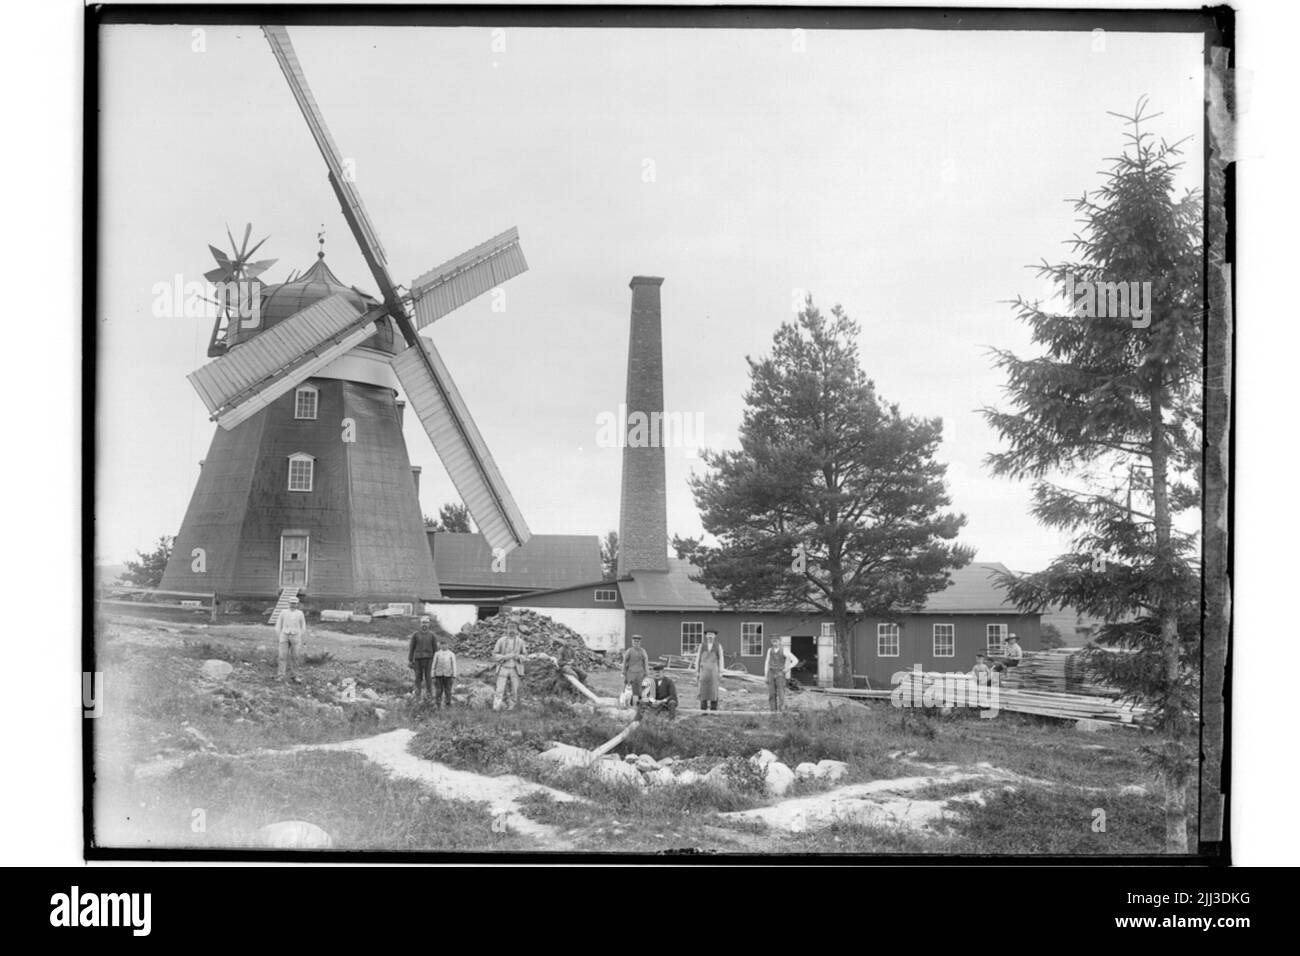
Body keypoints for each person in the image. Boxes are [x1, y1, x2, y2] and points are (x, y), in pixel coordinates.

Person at [492, 620, 527, 710]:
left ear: (517, 630)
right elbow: (494, 655)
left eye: (513, 628)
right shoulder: (501, 641)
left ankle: (511, 707)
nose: (512, 630)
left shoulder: (520, 642)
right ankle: (496, 707)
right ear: (506, 629)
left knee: (514, 689)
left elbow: (525, 656)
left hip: (515, 669)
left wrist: (518, 657)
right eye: (510, 628)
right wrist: (505, 657)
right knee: (500, 689)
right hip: (503, 667)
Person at [763, 635, 799, 713]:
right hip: (771, 673)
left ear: (780, 641)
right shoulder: (770, 650)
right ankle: (773, 712)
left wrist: (788, 668)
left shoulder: (784, 650)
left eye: (776, 641)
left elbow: (795, 660)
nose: (775, 643)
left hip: (780, 673)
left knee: (781, 693)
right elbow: (767, 662)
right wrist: (766, 676)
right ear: (771, 642)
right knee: (771, 694)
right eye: (773, 641)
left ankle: (782, 712)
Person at [276, 594, 307, 682]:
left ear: (297, 604)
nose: (293, 605)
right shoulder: (283, 612)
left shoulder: (300, 613)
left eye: (295, 603)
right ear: (288, 603)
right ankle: (281, 675)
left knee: (295, 656)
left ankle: (295, 676)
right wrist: (279, 636)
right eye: (291, 603)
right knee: (282, 656)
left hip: (295, 636)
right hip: (284, 635)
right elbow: (278, 624)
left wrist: (299, 635)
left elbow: (303, 626)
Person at [408, 619, 437, 701]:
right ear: (420, 624)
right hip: (418, 659)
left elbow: (435, 649)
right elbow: (412, 648)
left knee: (428, 678)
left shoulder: (432, 635)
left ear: (429, 624)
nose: (425, 624)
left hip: (429, 659)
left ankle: (429, 696)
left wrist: (436, 661)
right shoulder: (415, 635)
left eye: (426, 623)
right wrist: (410, 660)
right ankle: (418, 696)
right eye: (423, 623)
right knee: (418, 677)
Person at [695, 630, 724, 711]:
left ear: (714, 636)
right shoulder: (702, 646)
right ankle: (703, 710)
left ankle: (713, 710)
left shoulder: (718, 646)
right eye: (708, 635)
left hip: (714, 672)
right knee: (703, 690)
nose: (710, 636)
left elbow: (721, 659)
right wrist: (697, 671)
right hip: (703, 671)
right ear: (706, 636)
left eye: (712, 635)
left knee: (714, 691)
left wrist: (721, 671)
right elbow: (698, 658)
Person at [622, 635, 651, 703]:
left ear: (640, 642)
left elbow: (646, 661)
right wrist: (623, 671)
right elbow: (625, 661)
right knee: (629, 688)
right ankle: (629, 702)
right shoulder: (629, 651)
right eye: (635, 641)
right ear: (632, 642)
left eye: (638, 642)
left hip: (640, 673)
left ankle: (640, 703)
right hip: (631, 673)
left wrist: (647, 671)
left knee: (641, 688)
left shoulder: (643, 651)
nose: (636, 643)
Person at [431, 640, 458, 709]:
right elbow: (433, 665)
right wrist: (433, 676)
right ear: (440, 645)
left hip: (448, 675)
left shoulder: (451, 654)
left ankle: (448, 704)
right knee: (438, 690)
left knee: (448, 690)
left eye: (445, 644)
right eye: (442, 644)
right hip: (438, 675)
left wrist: (454, 676)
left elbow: (454, 665)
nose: (443, 646)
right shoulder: (437, 654)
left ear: (448, 645)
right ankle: (438, 704)